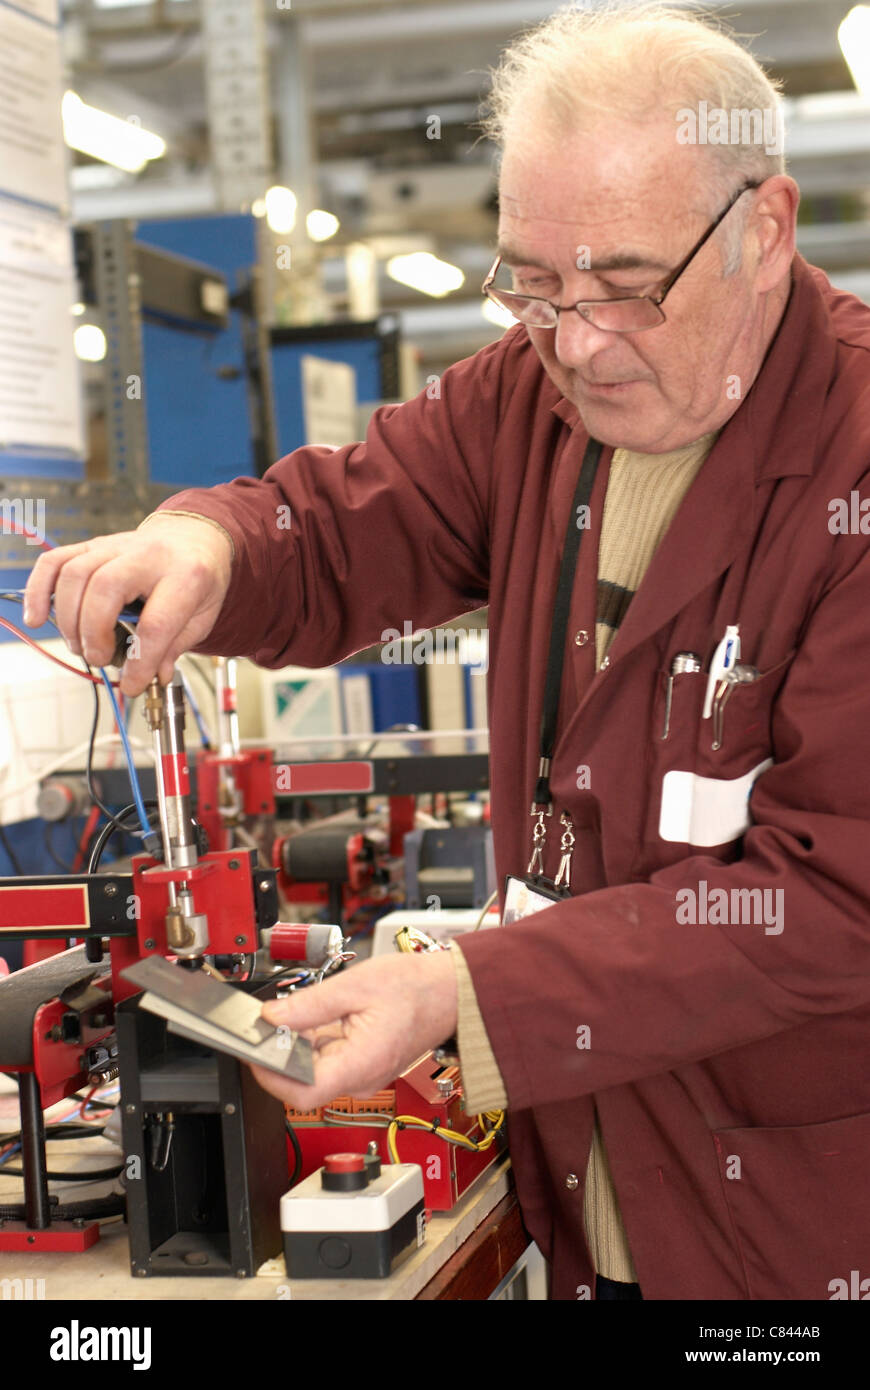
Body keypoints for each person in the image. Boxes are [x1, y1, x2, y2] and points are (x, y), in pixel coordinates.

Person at [24, 3, 870, 1300]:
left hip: (796, 1231)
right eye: (531, 285)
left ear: (763, 230)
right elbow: (350, 520)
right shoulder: (526, 405)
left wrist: (466, 994)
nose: (576, 342)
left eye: (627, 289)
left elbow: (833, 898)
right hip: (589, 1199)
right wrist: (212, 548)